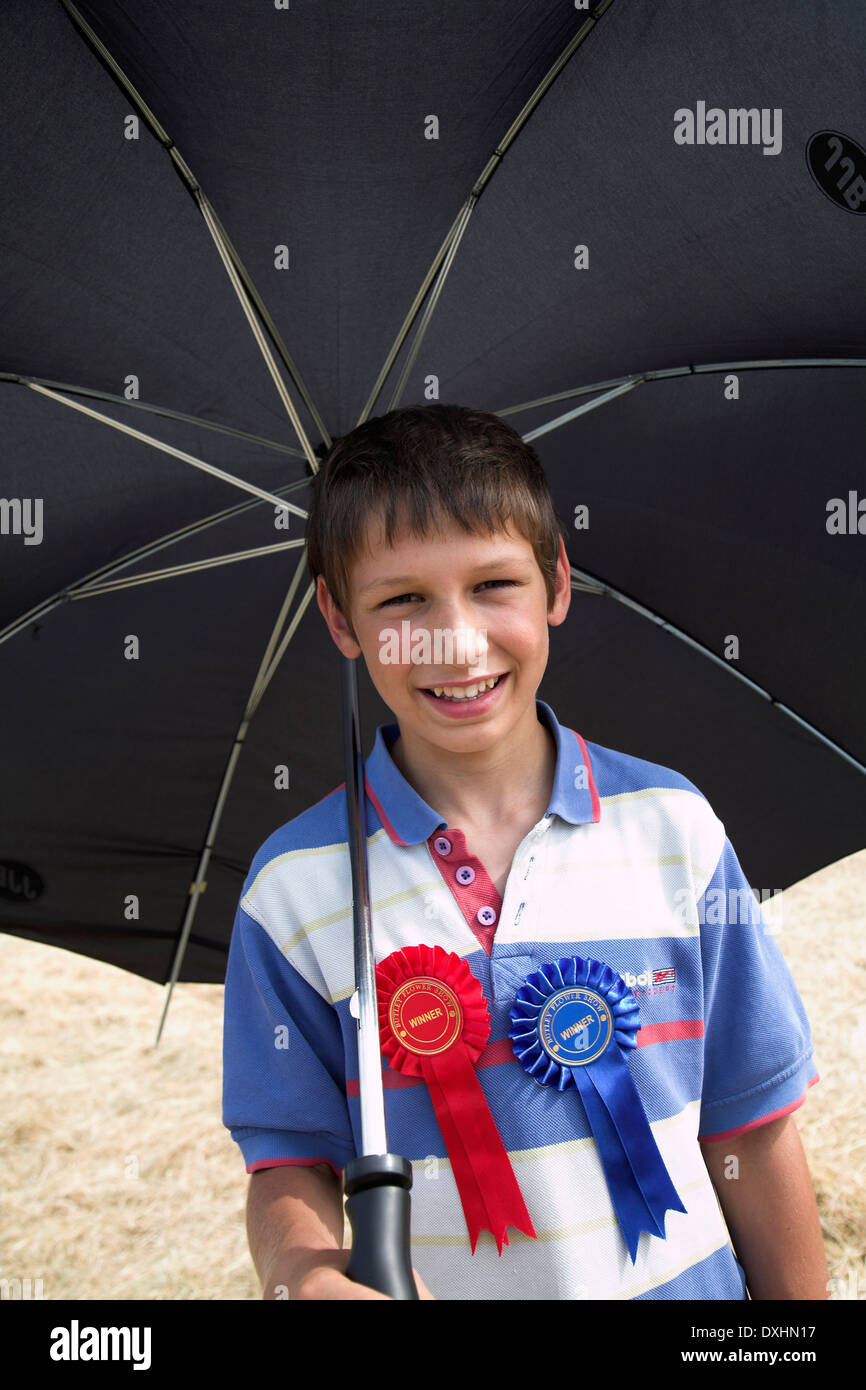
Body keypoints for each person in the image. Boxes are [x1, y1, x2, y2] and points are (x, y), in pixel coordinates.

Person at [222, 403, 828, 1301]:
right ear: (339, 618)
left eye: (494, 584)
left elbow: (751, 1127)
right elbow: (290, 1160)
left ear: (556, 584)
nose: (457, 640)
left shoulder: (674, 829)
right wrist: (297, 1272)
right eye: (400, 600)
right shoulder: (292, 891)